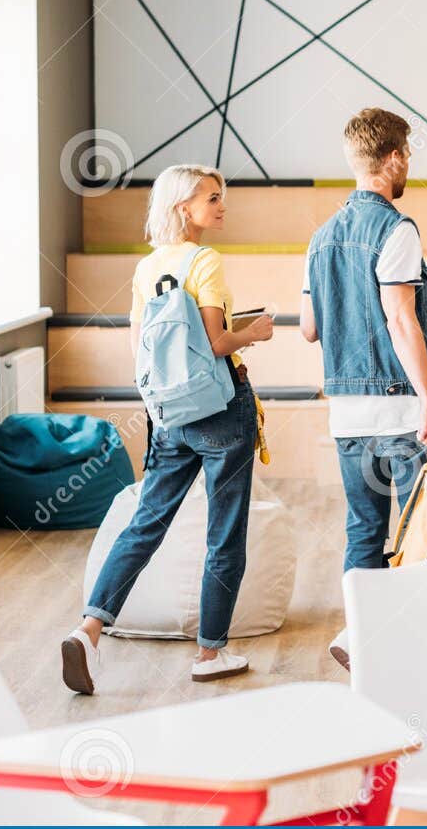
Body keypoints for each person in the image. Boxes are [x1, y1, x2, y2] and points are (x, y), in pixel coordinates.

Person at [62, 164, 275, 693]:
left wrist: (164, 405)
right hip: (221, 409)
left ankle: (89, 629)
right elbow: (217, 342)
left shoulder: (148, 267)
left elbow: (139, 351)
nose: (222, 205)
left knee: (145, 524)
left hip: (169, 416)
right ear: (185, 208)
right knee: (224, 534)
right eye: (212, 198)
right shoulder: (205, 260)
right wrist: (255, 332)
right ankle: (209, 653)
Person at [301, 108, 427, 672]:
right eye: (406, 154)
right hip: (399, 410)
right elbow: (402, 321)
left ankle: (359, 630)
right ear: (392, 159)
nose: (408, 164)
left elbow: (310, 329)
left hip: (347, 415)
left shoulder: (319, 237)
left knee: (363, 529)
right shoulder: (396, 228)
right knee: (417, 530)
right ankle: (400, 643)